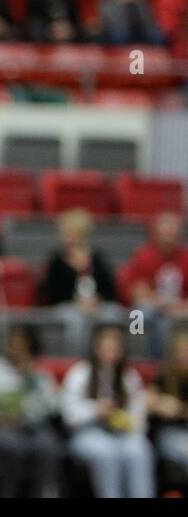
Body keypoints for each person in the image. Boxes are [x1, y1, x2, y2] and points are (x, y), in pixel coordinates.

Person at [0, 326, 64, 497]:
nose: (16, 350)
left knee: (50, 446)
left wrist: (30, 382)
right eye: (13, 344)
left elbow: (51, 407)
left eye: (22, 346)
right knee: (13, 448)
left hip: (30, 429)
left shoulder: (39, 375)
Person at [60, 324, 156, 497]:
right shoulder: (81, 372)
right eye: (106, 347)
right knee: (107, 453)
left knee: (140, 450)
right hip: (88, 433)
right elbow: (69, 414)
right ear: (96, 348)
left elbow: (139, 416)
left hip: (122, 434)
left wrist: (129, 423)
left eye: (115, 348)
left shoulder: (129, 375)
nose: (111, 352)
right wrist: (96, 410)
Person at [39, 208, 119, 311]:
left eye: (71, 234)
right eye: (64, 234)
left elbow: (110, 291)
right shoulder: (56, 261)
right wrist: (76, 300)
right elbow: (51, 294)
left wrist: (97, 300)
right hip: (67, 306)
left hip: (96, 305)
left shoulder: (98, 260)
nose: (66, 239)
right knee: (74, 317)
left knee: (112, 312)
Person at [120, 211, 188, 316]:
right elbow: (138, 292)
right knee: (140, 311)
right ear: (155, 233)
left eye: (173, 231)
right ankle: (137, 333)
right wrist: (165, 305)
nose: (169, 234)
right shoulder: (143, 256)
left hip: (181, 309)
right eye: (166, 231)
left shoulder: (186, 257)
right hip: (153, 308)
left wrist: (181, 306)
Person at [148, 327, 188, 486]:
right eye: (181, 351)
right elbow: (148, 401)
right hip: (171, 433)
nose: (185, 356)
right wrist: (157, 402)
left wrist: (180, 410)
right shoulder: (165, 375)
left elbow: (180, 410)